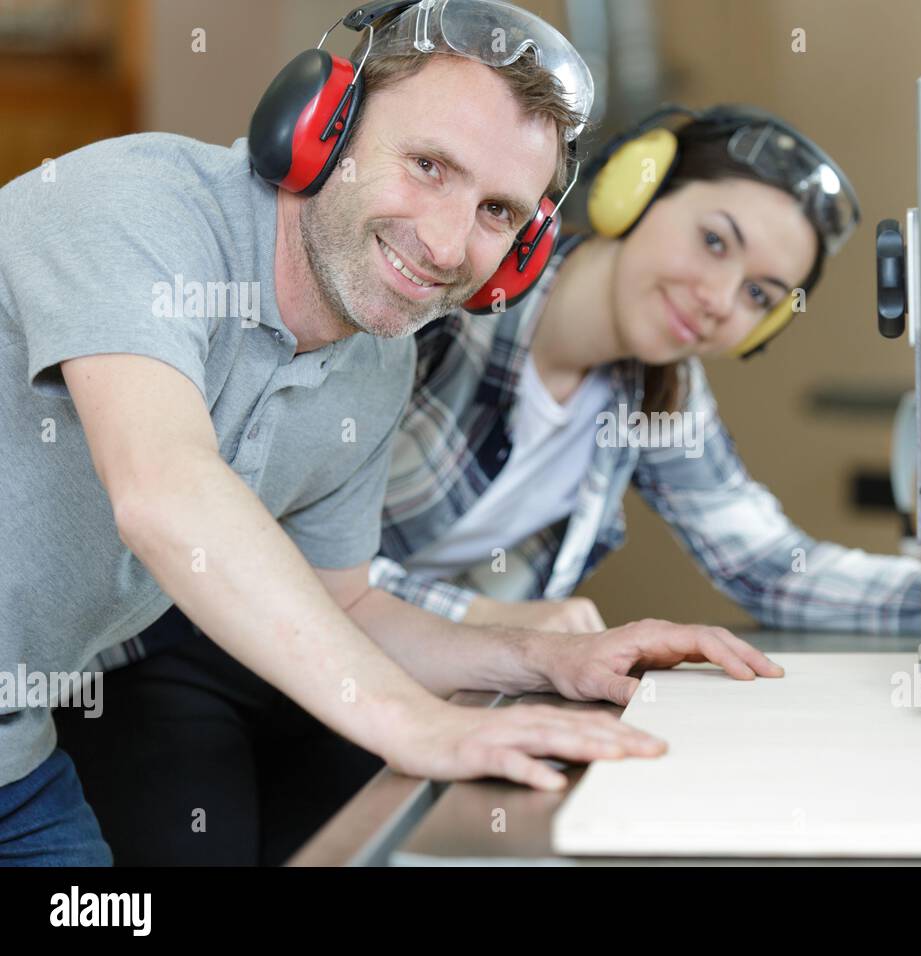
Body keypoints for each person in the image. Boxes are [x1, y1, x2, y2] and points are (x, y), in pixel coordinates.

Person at [2, 0, 780, 867]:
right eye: (428, 165)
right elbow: (163, 490)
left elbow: (350, 605)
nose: (448, 245)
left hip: (15, 764)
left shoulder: (377, 364)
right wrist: (417, 725)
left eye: (497, 213)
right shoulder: (133, 206)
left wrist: (546, 657)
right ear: (321, 126)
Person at [372, 105, 921, 635]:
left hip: (418, 695)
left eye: (758, 294)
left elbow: (770, 567)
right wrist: (483, 623)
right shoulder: (448, 296)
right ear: (632, 195)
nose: (719, 298)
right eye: (713, 242)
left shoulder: (661, 390)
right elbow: (299, 551)